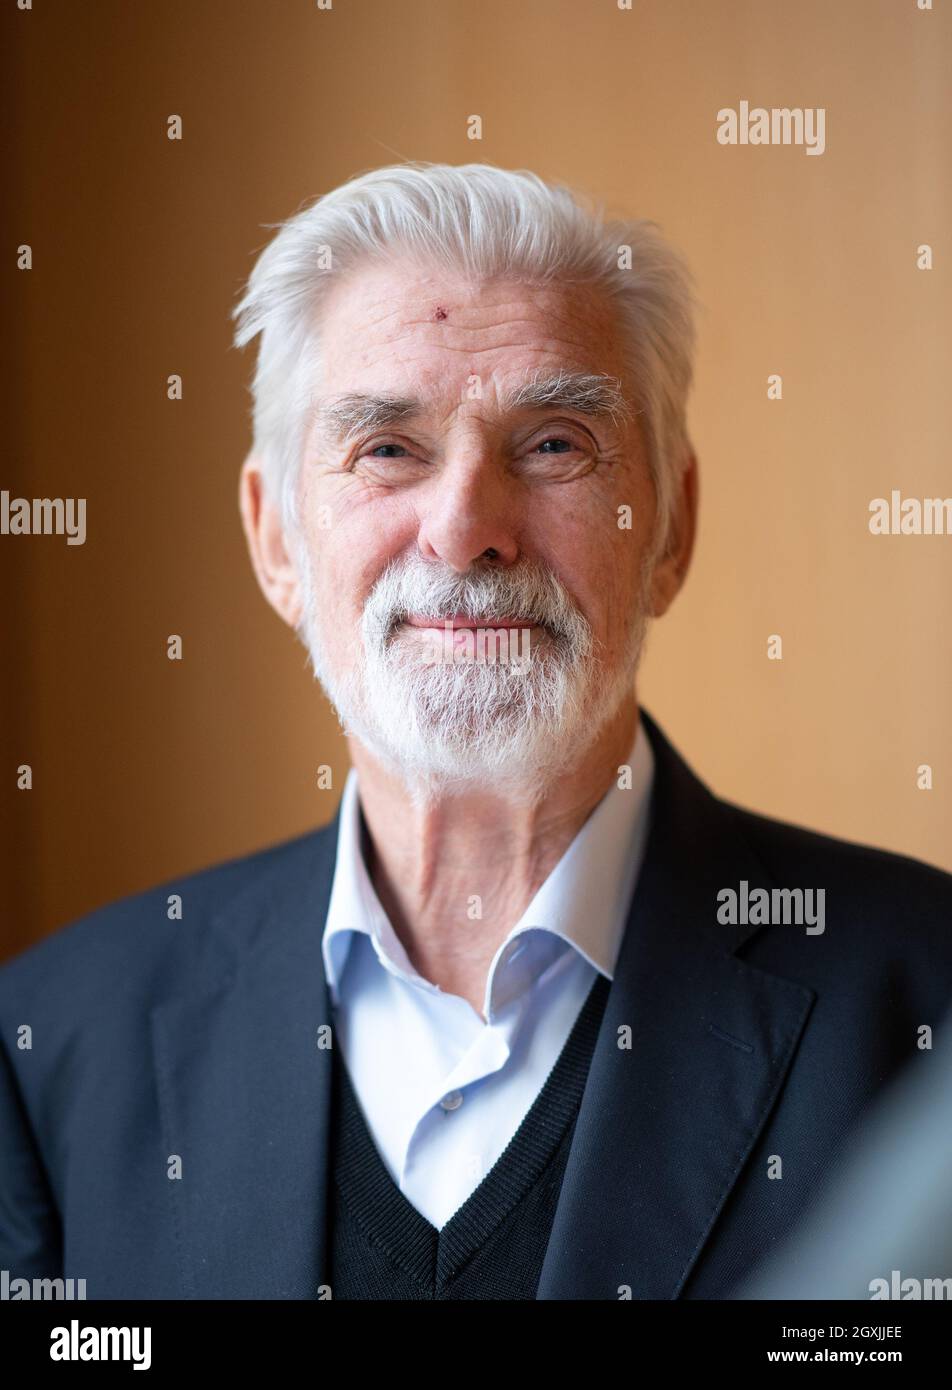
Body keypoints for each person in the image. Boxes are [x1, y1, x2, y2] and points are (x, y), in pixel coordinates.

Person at [2, 163, 950, 1300]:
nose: (464, 531)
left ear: (672, 528)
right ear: (276, 542)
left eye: (552, 444)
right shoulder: (50, 1044)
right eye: (387, 448)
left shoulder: (925, 1007)